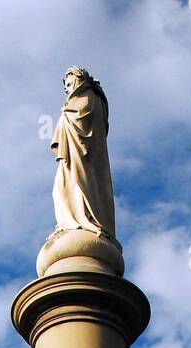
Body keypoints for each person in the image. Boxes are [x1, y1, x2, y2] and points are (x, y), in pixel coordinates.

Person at [50, 66, 116, 238]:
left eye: (69, 83)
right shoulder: (82, 99)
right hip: (69, 159)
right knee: (60, 189)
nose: (66, 88)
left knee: (80, 185)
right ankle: (69, 222)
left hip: (82, 158)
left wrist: (65, 116)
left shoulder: (89, 97)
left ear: (78, 78)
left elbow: (83, 124)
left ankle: (85, 220)